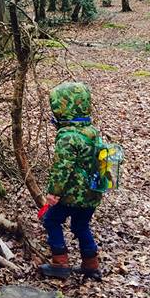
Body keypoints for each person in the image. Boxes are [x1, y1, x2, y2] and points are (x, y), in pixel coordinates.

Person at [38, 81, 104, 281]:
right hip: (93, 193)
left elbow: (62, 168)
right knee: (81, 226)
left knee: (50, 220)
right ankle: (91, 264)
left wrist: (53, 192)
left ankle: (60, 263)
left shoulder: (67, 136)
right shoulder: (92, 131)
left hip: (71, 195)